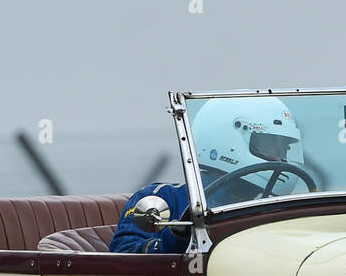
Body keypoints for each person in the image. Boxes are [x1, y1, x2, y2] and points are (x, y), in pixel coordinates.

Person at [108, 95, 310, 253]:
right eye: (271, 146)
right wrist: (176, 237)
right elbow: (124, 256)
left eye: (283, 150)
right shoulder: (163, 199)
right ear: (228, 140)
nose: (280, 160)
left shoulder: (276, 207)